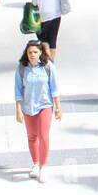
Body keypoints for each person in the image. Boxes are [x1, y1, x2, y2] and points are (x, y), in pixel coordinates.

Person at [15, 40, 61, 182]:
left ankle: (43, 166)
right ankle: (35, 163)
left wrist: (58, 108)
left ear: (41, 52)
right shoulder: (22, 69)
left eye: (35, 52)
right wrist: (18, 110)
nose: (32, 55)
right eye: (30, 52)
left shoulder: (48, 67)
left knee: (43, 135)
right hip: (28, 106)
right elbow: (18, 90)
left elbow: (54, 88)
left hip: (44, 105)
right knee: (32, 136)